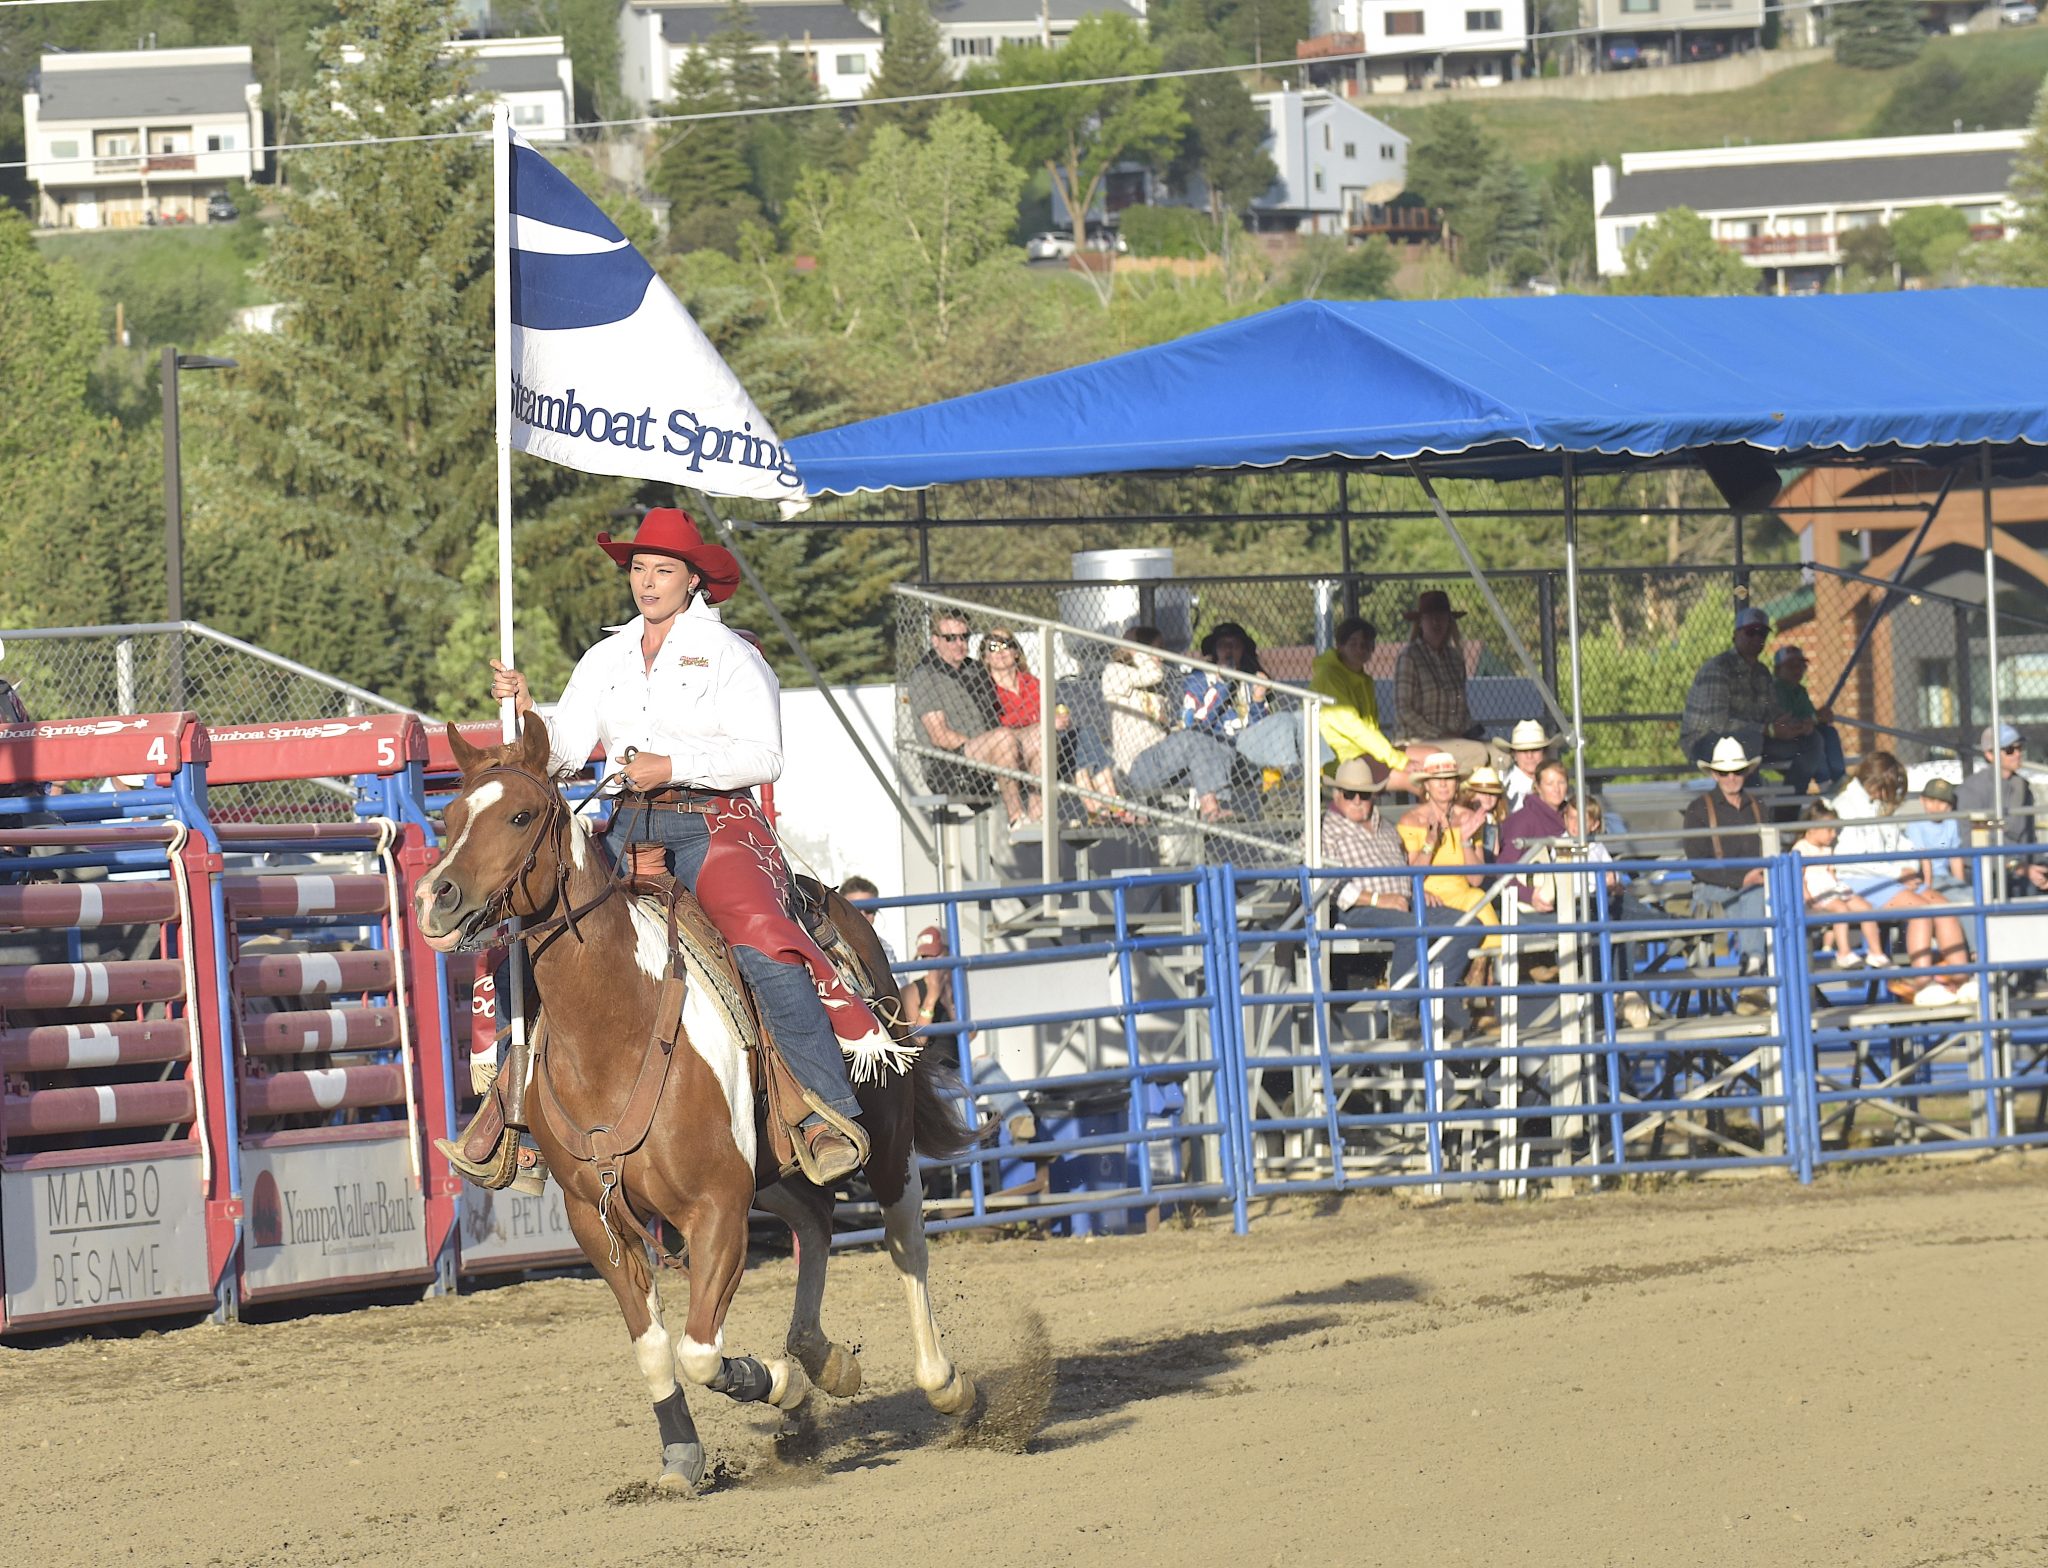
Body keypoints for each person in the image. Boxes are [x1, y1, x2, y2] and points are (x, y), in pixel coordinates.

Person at [483, 507, 881, 1183]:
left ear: (693, 579)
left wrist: (672, 766)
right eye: (639, 568)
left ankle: (821, 1110)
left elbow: (764, 755)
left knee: (761, 939)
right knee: (534, 933)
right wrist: (525, 716)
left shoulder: (732, 656)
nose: (647, 582)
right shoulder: (603, 658)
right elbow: (570, 750)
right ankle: (514, 1116)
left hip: (714, 826)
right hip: (625, 825)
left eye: (663, 569)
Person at [1319, 757, 1480, 1036]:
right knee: (1411, 929)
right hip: (1358, 909)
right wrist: (1376, 899)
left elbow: (1403, 869)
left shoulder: (1384, 826)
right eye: (1349, 794)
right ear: (1337, 795)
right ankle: (1402, 1013)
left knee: (1469, 924)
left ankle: (1436, 999)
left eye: (1365, 794)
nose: (1358, 800)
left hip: (1405, 901)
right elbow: (1324, 882)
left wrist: (1417, 888)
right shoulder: (1325, 829)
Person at [1833, 750, 1973, 1004]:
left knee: (1943, 906)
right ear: (1878, 784)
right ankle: (1922, 983)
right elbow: (1851, 860)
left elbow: (1898, 843)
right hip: (1857, 880)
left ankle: (1962, 979)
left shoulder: (1876, 805)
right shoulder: (1844, 807)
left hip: (1887, 877)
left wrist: (1907, 868)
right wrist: (1898, 872)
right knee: (1920, 910)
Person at [1678, 607, 1825, 793]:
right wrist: (1767, 730)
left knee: (1813, 740)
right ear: (1736, 635)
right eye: (1750, 632)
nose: (1757, 638)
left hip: (1755, 739)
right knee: (1750, 741)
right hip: (1704, 741)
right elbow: (1717, 723)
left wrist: (1798, 725)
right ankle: (1749, 809)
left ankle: (1787, 809)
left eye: (1762, 633)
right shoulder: (1718, 668)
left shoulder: (1762, 672)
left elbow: (1772, 712)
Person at [1102, 625, 1239, 823]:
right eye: (1157, 649)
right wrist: (1139, 651)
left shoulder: (1159, 684)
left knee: (1210, 741)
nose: (1162, 656)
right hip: (1136, 765)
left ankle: (1215, 805)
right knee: (1191, 739)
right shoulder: (1114, 672)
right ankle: (1210, 810)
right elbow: (1153, 674)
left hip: (1161, 762)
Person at [906, 609, 1029, 827]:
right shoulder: (925, 676)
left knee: (1040, 735)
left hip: (993, 747)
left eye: (964, 637)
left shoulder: (976, 669)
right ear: (935, 641)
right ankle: (1017, 818)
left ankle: (1038, 818)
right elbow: (939, 735)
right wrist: (988, 753)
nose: (959, 643)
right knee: (1004, 738)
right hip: (949, 764)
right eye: (950, 638)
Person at [1681, 736, 1772, 987]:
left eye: (1737, 772)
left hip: (1753, 888)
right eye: (1724, 773)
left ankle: (1753, 971)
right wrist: (1743, 879)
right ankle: (1755, 967)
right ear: (1714, 775)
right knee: (1757, 900)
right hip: (1713, 889)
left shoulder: (1758, 805)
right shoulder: (1697, 809)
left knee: (1756, 898)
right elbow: (1699, 866)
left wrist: (1753, 879)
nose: (1731, 778)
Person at [1309, 615, 1412, 791]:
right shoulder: (1329, 677)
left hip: (1365, 752)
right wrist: (1395, 759)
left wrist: (1391, 756)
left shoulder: (1364, 680)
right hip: (1339, 759)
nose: (1360, 648)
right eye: (1353, 643)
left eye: (1366, 644)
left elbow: (1371, 728)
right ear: (1340, 646)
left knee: (1432, 756)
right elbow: (1354, 728)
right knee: (1414, 779)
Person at [1393, 591, 1490, 775]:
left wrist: (1468, 730)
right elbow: (1404, 710)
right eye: (1430, 618)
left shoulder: (1455, 658)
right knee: (1477, 753)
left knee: (1499, 752)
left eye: (1442, 617)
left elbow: (1461, 706)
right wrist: (1439, 734)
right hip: (1415, 739)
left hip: (1454, 738)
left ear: (1449, 622)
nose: (1436, 623)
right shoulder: (1409, 656)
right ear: (1420, 623)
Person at [1188, 620, 1299, 779]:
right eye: (1223, 644)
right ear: (1214, 649)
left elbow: (1261, 726)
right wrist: (1223, 683)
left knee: (1290, 720)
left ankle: (1291, 786)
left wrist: (1258, 699)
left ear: (1243, 650)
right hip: (1215, 743)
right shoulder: (1199, 677)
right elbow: (1196, 723)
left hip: (1249, 744)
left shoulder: (1250, 679)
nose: (1229, 649)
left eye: (1235, 645)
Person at [981, 625, 1070, 822]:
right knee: (1041, 733)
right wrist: (1044, 725)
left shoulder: (1034, 684)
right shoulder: (985, 689)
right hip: (1007, 754)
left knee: (1045, 740)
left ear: (1015, 652)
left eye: (1006, 645)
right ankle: (1018, 816)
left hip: (1040, 750)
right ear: (985, 657)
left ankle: (1036, 817)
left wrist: (1059, 720)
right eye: (993, 647)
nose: (1001, 652)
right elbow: (998, 729)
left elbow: (1051, 717)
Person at [1794, 802, 1890, 968]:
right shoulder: (1801, 848)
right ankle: (1843, 952)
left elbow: (1831, 873)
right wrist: (1807, 897)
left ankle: (1876, 952)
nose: (1833, 835)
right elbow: (1799, 877)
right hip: (1816, 891)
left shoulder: (1827, 849)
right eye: (1829, 830)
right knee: (1841, 909)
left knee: (1865, 907)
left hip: (1832, 887)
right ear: (1812, 829)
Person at [1956, 723, 2048, 896]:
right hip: (1989, 871)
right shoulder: (1973, 790)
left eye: (2020, 748)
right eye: (2009, 750)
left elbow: (2028, 837)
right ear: (1989, 755)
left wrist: (2040, 865)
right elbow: (1973, 841)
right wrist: (2018, 867)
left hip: (2022, 866)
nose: (2018, 754)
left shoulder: (2022, 786)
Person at [1771, 645, 1847, 793]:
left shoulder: (1800, 690)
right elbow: (1792, 723)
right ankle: (1825, 786)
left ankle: (1840, 779)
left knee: (1829, 732)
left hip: (1802, 736)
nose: (1797, 670)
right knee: (1813, 738)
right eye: (1791, 666)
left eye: (1801, 665)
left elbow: (1811, 719)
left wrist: (1820, 717)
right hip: (1783, 742)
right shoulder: (1776, 689)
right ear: (1778, 669)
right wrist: (1814, 718)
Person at [1900, 777, 1969, 900]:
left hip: (1946, 876)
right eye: (1931, 800)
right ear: (1922, 800)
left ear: (1949, 806)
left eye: (1942, 802)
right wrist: (1927, 889)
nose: (1936, 806)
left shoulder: (1951, 823)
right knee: (1961, 899)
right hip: (1926, 879)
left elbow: (1955, 857)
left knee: (1973, 894)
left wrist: (1961, 884)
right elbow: (1923, 857)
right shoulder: (1915, 824)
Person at [1502, 719, 1555, 810]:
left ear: (1544, 752)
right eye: (1523, 750)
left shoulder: (1555, 781)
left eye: (1535, 749)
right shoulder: (1508, 789)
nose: (1529, 756)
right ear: (1514, 754)